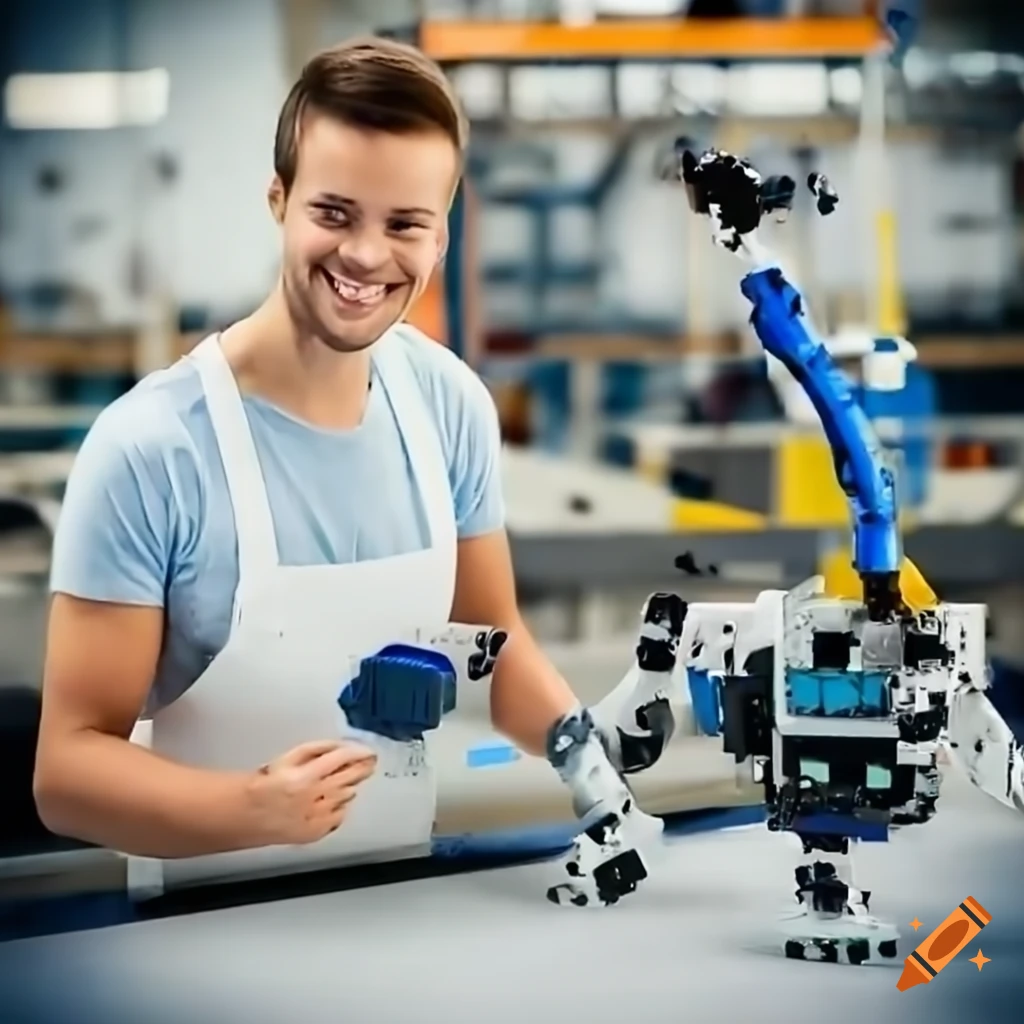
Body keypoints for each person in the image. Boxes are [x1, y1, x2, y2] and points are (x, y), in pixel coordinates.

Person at [32, 37, 609, 869]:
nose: (366, 255)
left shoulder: (448, 406)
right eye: (334, 213)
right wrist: (252, 809)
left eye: (404, 224)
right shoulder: (151, 450)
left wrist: (584, 752)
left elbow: (493, 641)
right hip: (199, 924)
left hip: (400, 895)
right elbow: (67, 772)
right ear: (279, 199)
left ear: (440, 238)